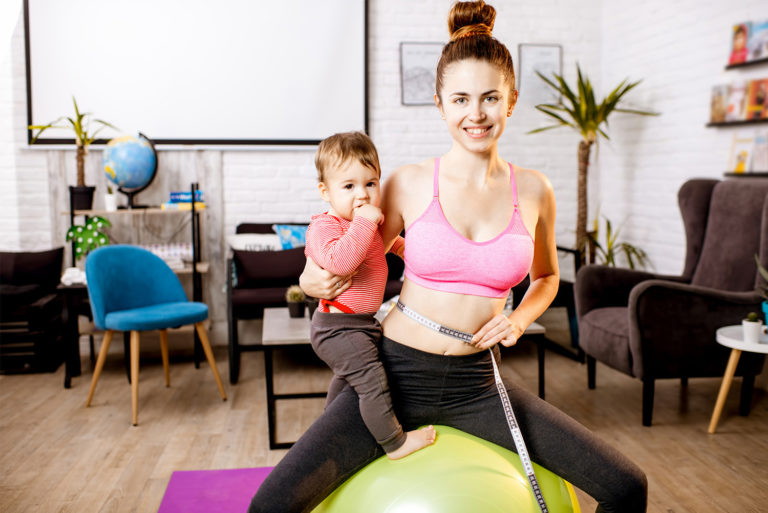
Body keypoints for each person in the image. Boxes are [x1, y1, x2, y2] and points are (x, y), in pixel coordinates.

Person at [249, 2, 647, 512]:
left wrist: (519, 320)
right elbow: (344, 250)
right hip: (391, 375)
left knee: (626, 486)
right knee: (270, 507)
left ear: (511, 101)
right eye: (460, 99)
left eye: (490, 98)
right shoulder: (407, 183)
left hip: (477, 384)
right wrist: (309, 277)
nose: (475, 114)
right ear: (440, 104)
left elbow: (547, 276)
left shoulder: (535, 191)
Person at [304, 131, 436, 460]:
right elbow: (341, 262)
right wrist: (364, 222)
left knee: (349, 385)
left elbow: (381, 246)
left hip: (360, 324)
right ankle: (395, 443)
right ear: (325, 192)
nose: (362, 194)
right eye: (349, 186)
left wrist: (405, 249)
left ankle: (330, 432)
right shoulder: (325, 226)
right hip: (337, 328)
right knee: (372, 381)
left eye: (371, 183)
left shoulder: (365, 225)